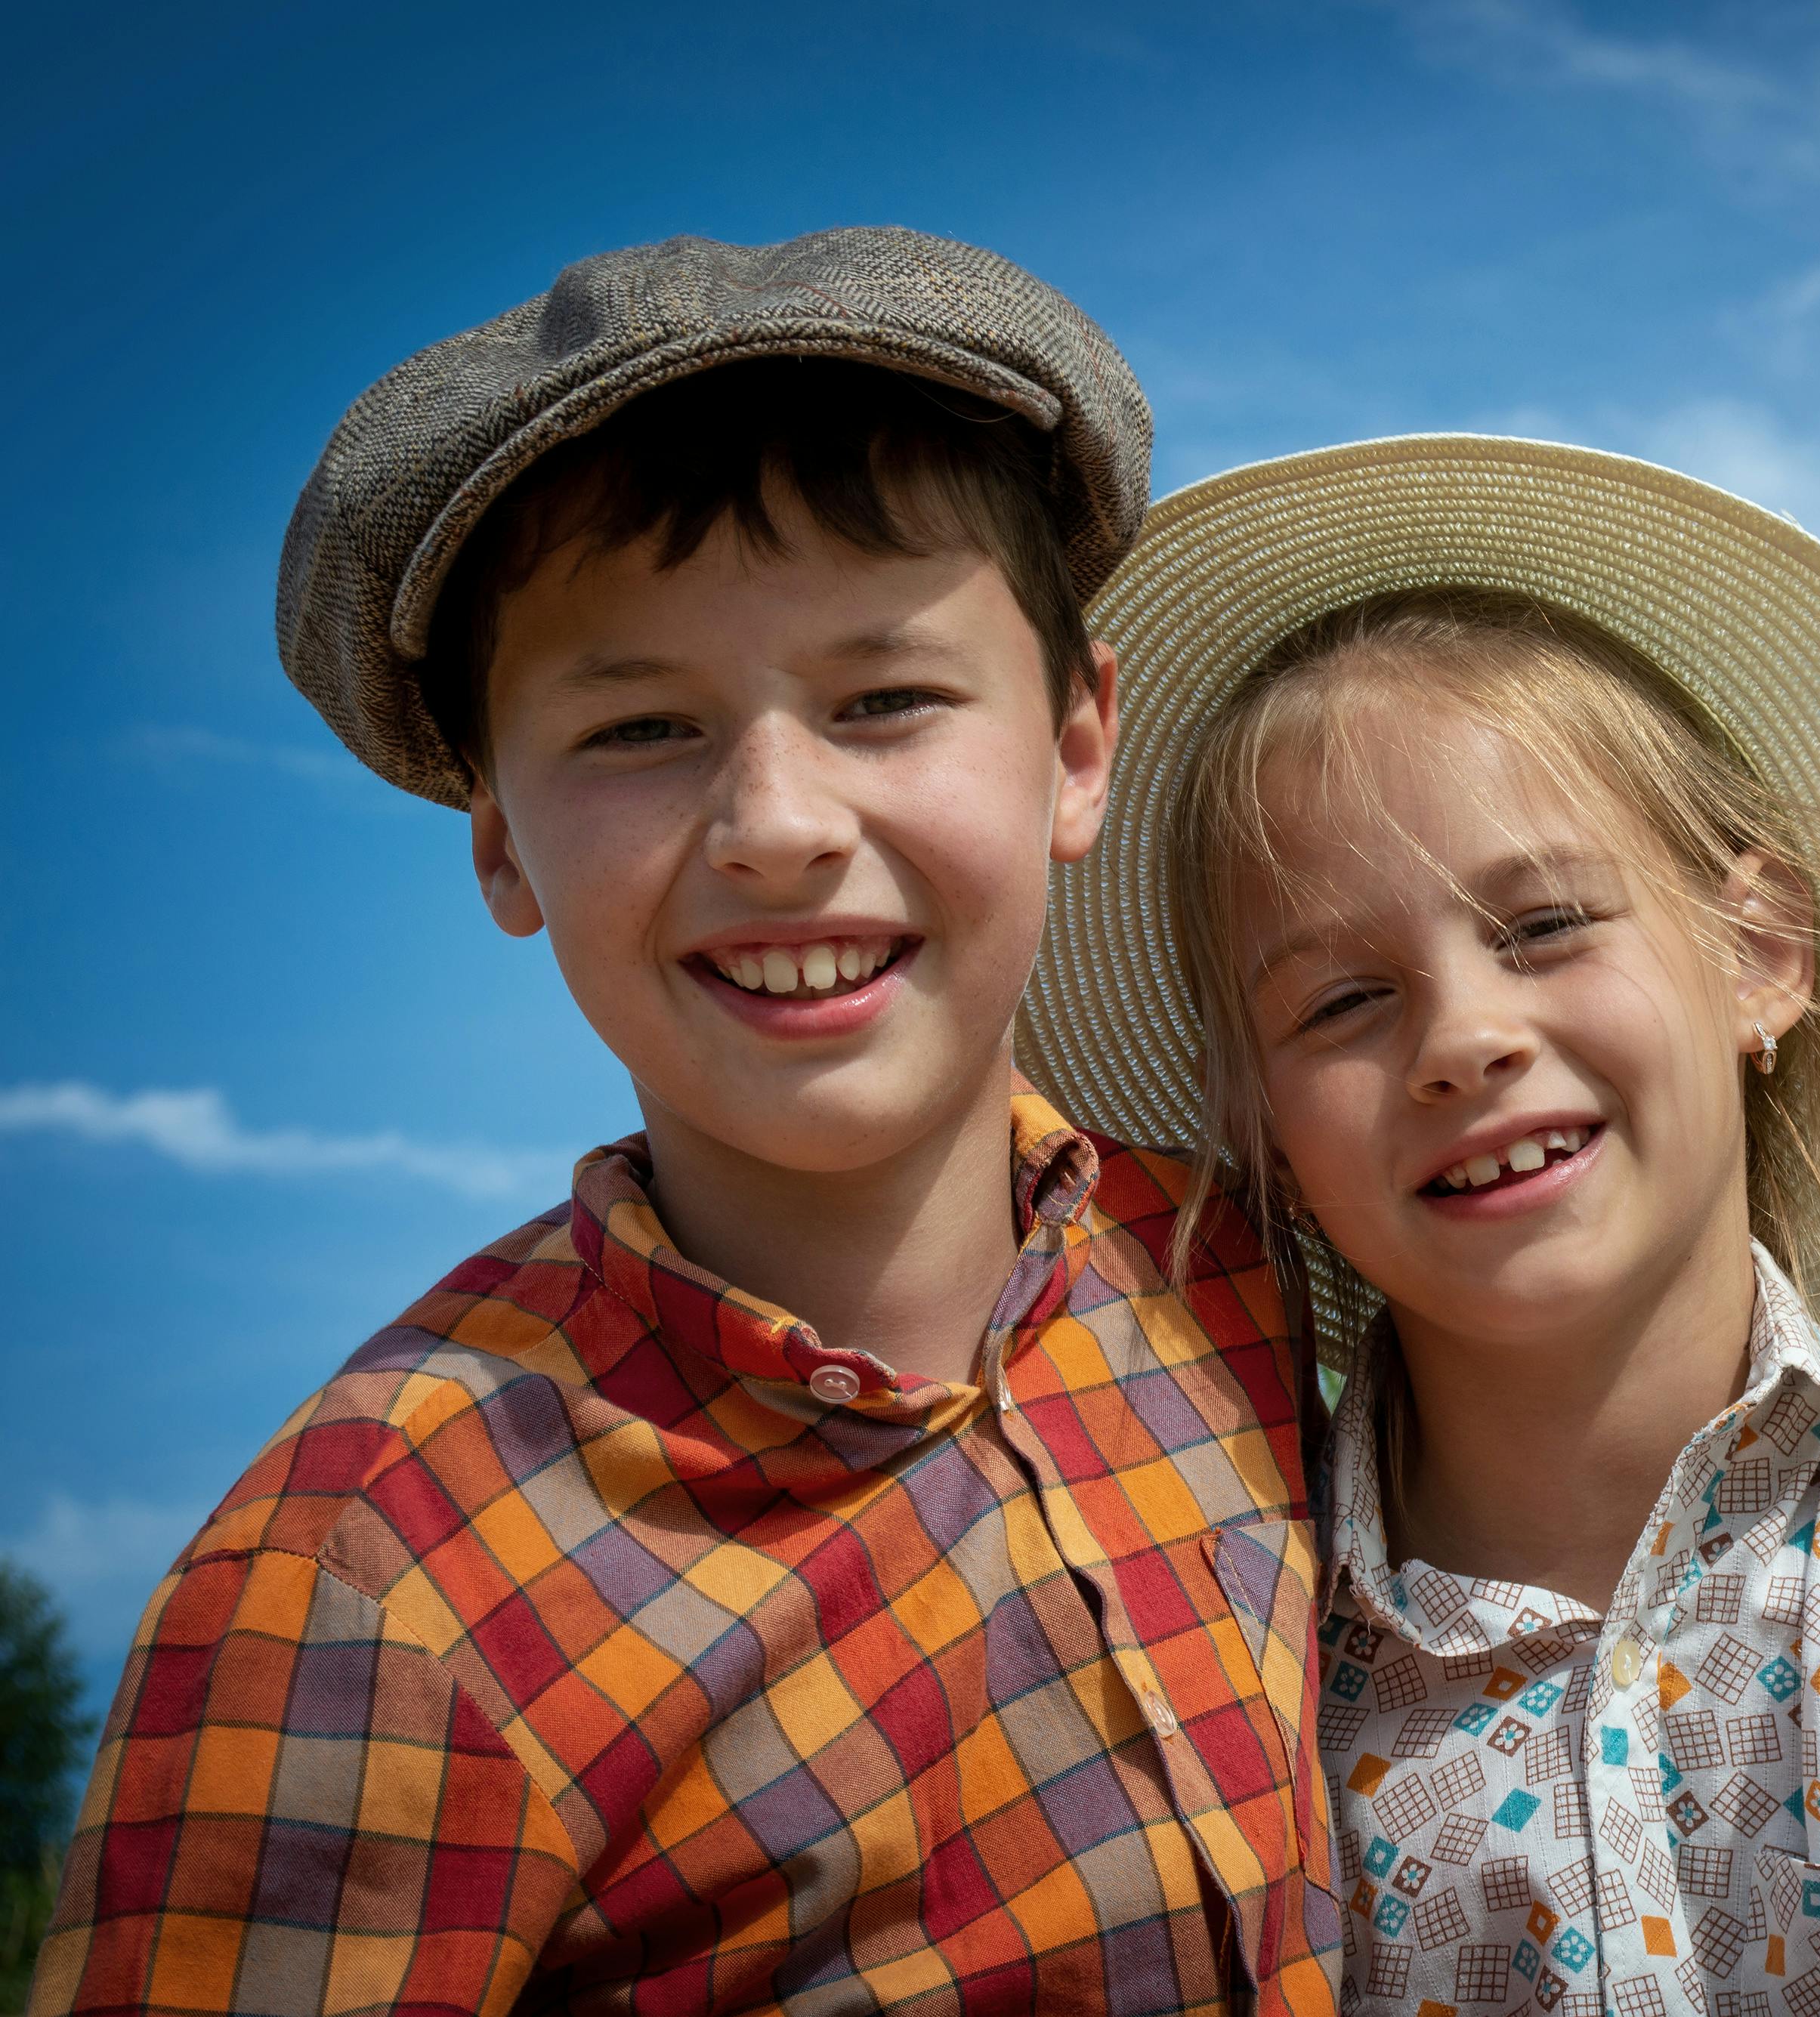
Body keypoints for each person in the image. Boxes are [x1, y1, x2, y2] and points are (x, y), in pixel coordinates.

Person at [36, 231, 1340, 2014]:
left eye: (885, 699)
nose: (777, 823)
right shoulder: (362, 1589)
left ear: (1080, 741)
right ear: (500, 839)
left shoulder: (1248, 1273)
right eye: (643, 726)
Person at [1019, 436, 1820, 2017]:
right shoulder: (1233, 1672)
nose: (1461, 1037)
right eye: (1343, 1000)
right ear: (1266, 1138)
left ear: (1760, 955)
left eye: (1546, 927)